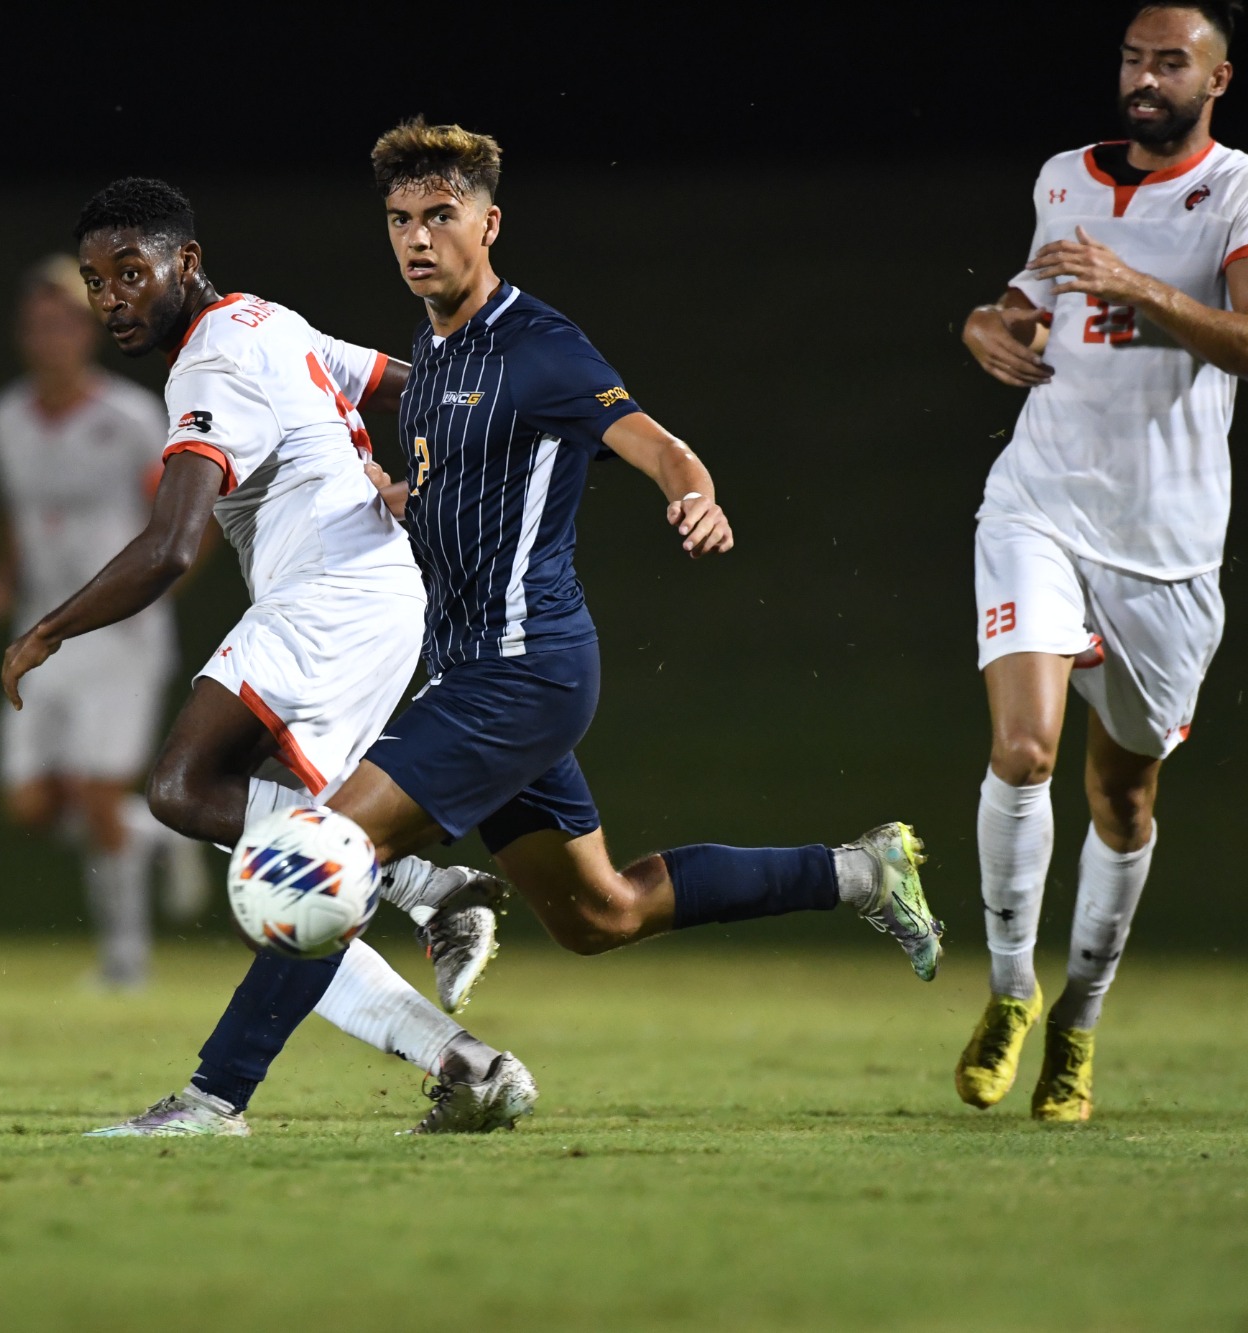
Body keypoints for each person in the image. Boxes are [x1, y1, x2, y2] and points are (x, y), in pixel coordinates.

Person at [84, 121, 948, 1136]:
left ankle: (214, 1096)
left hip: (519, 673)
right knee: (600, 913)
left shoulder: (537, 345)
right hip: (474, 673)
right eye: (400, 219)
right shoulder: (431, 352)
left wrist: (692, 493)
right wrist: (401, 497)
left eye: (439, 216)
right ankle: (860, 869)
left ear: (488, 224)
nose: (416, 239)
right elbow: (465, 495)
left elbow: (654, 443)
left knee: (323, 850)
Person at [3, 178, 528, 1135]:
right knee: (294, 878)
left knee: (183, 790)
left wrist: (48, 628)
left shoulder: (211, 364)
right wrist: (464, 456)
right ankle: (467, 1062)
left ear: (186, 264)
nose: (112, 297)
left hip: (327, 601)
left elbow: (168, 547)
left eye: (132, 271)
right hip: (364, 600)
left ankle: (411, 889)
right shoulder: (267, 320)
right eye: (95, 281)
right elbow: (415, 387)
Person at [954, 0, 1244, 1123]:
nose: (1144, 78)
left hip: (1165, 549)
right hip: (1039, 503)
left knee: (1119, 796)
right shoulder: (1062, 176)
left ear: (1215, 80)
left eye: (1169, 62)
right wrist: (985, 324)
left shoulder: (1231, 191)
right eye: (1132, 58)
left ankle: (1077, 1019)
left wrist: (1149, 294)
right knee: (1022, 747)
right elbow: (1027, 304)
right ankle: (1008, 990)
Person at [0, 256, 207, 989]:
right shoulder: (5, 419)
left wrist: (160, 587)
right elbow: (20, 511)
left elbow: (187, 517)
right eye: (40, 323)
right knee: (31, 804)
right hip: (41, 626)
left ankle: (124, 963)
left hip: (117, 629)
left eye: (67, 322)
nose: (53, 337)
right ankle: (157, 837)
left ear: (91, 332)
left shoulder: (131, 418)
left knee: (98, 794)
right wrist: (4, 573)